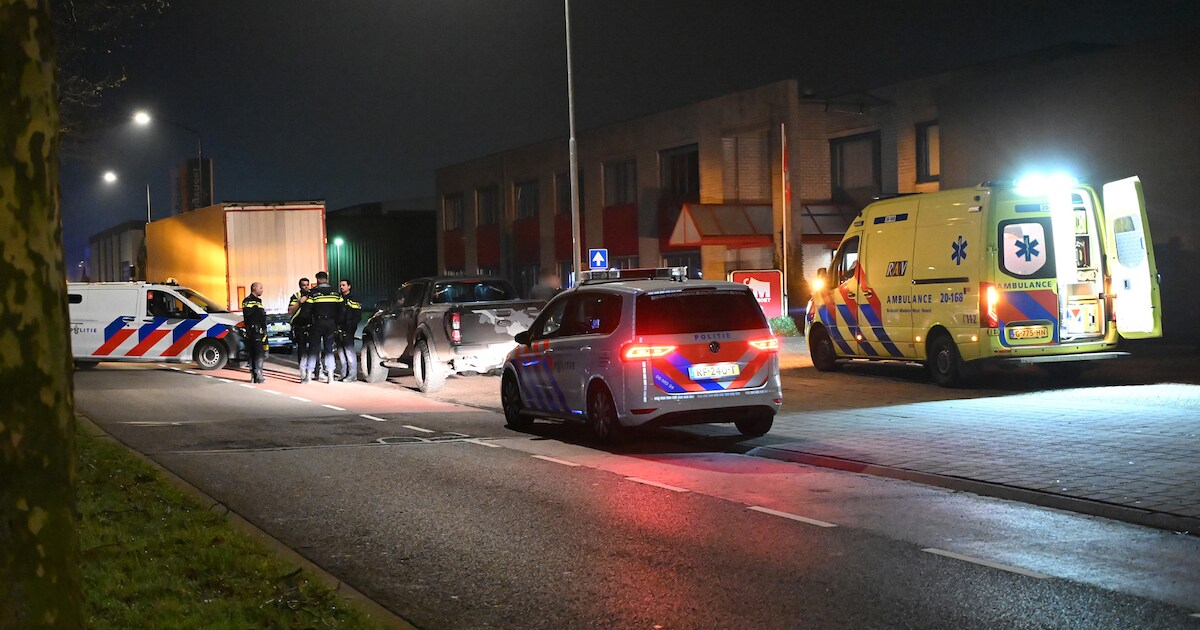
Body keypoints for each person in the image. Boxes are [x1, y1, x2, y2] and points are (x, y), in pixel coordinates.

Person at [299, 271, 344, 384]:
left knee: (314, 350)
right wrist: (337, 322)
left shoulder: (313, 294)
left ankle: (308, 376)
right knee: (329, 350)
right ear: (327, 279)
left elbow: (306, 312)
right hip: (331, 324)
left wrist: (306, 323)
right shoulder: (336, 294)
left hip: (317, 324)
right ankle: (330, 377)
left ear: (318, 280)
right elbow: (342, 310)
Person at [241, 282, 268, 383]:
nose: (262, 290)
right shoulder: (248, 301)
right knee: (258, 353)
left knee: (256, 353)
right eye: (260, 288)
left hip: (259, 330)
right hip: (253, 330)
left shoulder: (258, 301)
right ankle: (258, 374)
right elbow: (249, 316)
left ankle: (255, 375)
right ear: (254, 289)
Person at [337, 278, 362, 382]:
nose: (341, 287)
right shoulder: (339, 298)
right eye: (341, 285)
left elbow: (357, 316)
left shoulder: (353, 299)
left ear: (349, 286)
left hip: (348, 329)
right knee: (341, 352)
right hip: (338, 328)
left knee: (349, 351)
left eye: (343, 285)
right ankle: (343, 373)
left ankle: (352, 375)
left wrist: (350, 326)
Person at [288, 277, 311, 380]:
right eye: (303, 285)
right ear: (300, 286)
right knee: (301, 349)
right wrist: (300, 302)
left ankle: (315, 372)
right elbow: (290, 310)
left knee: (313, 350)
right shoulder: (296, 296)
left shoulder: (313, 295)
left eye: (307, 285)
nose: (306, 287)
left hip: (311, 326)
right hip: (299, 327)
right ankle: (303, 372)